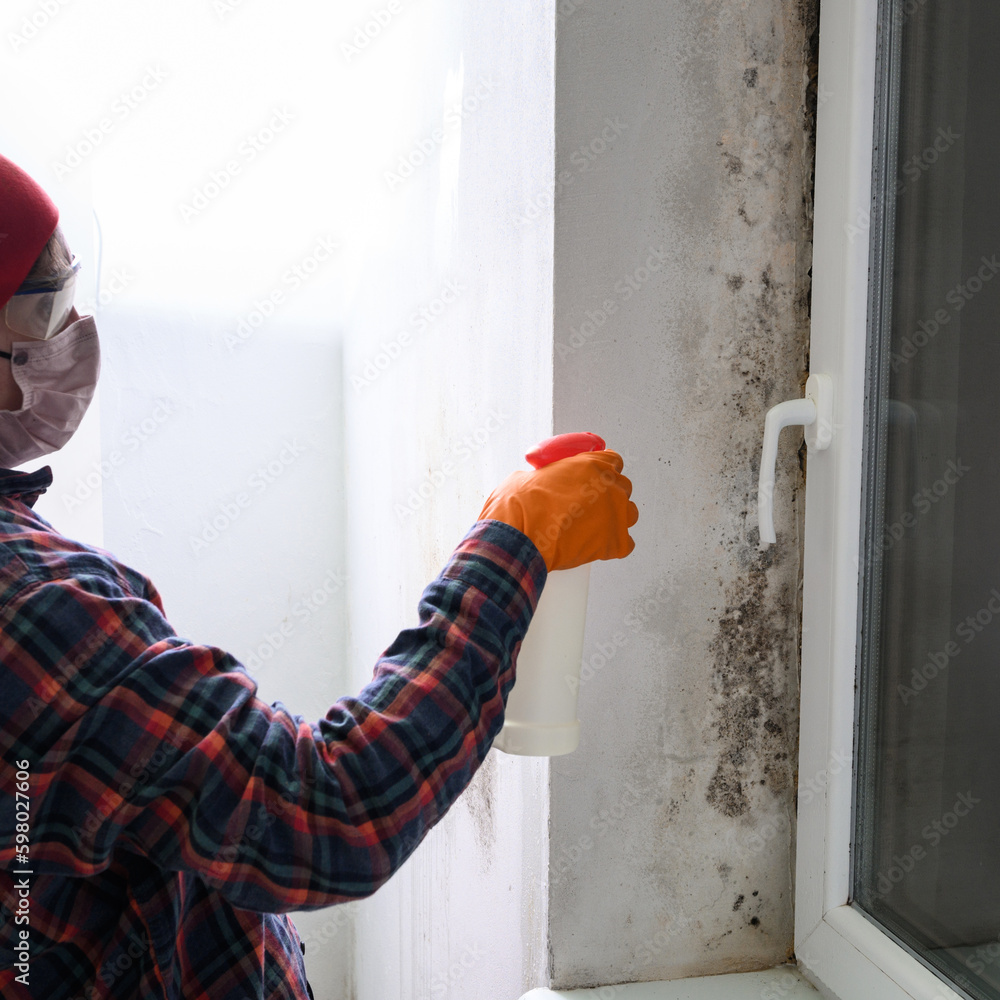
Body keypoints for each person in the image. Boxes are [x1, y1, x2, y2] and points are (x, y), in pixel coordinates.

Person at [0, 153, 637, 1000]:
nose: (73, 335)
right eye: (45, 313)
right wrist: (510, 545)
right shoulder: (31, 606)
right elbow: (326, 812)